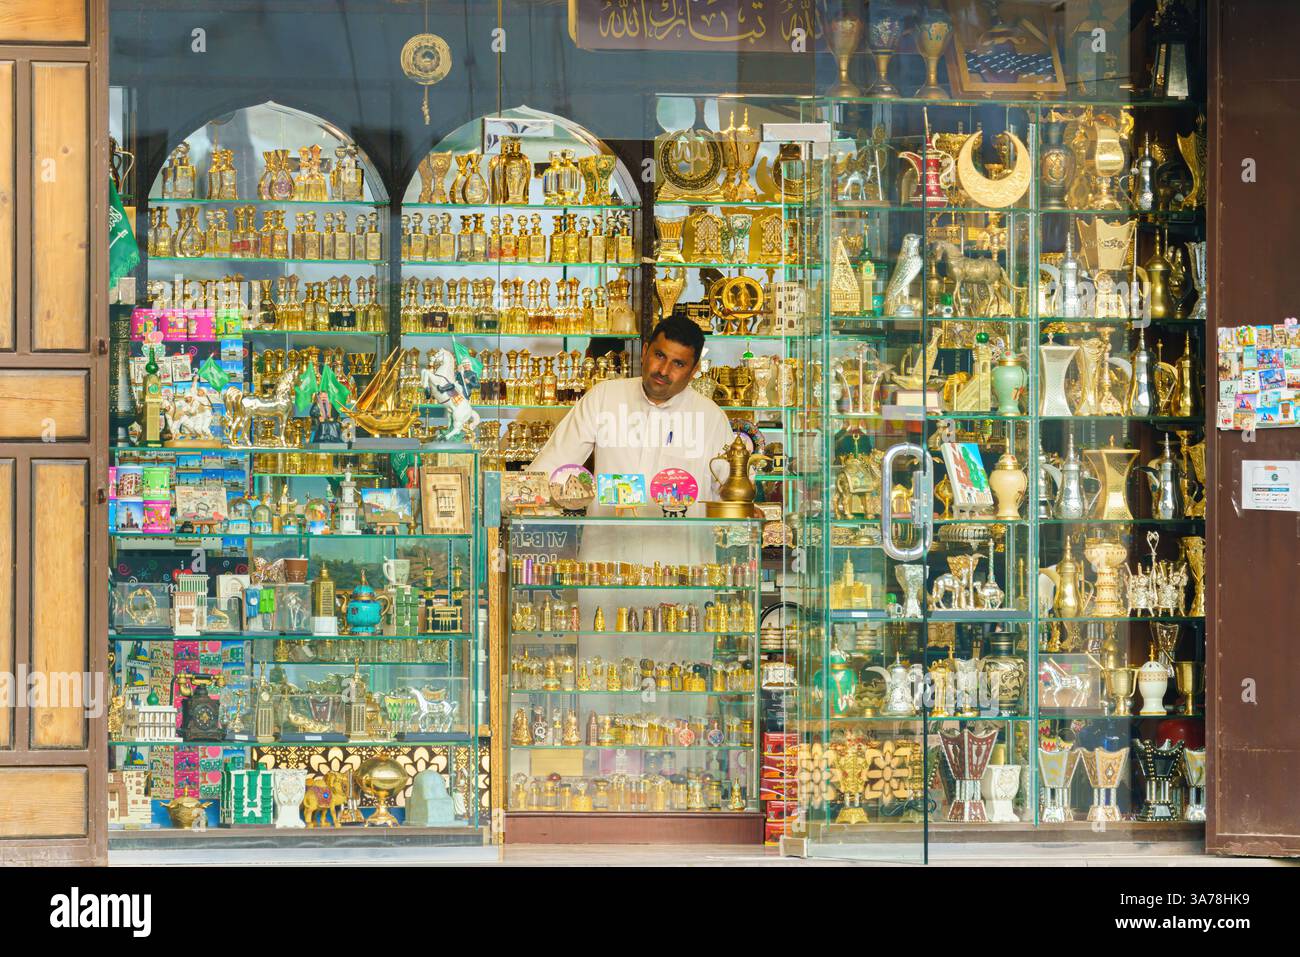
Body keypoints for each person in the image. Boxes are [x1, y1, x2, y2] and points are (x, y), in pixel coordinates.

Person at [528, 316, 736, 565]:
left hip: (682, 575)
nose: (664, 370)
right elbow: (552, 466)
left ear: (693, 371)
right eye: (659, 355)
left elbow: (734, 497)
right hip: (606, 571)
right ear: (645, 351)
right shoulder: (604, 398)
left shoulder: (711, 419)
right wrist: (512, 499)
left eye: (678, 363)